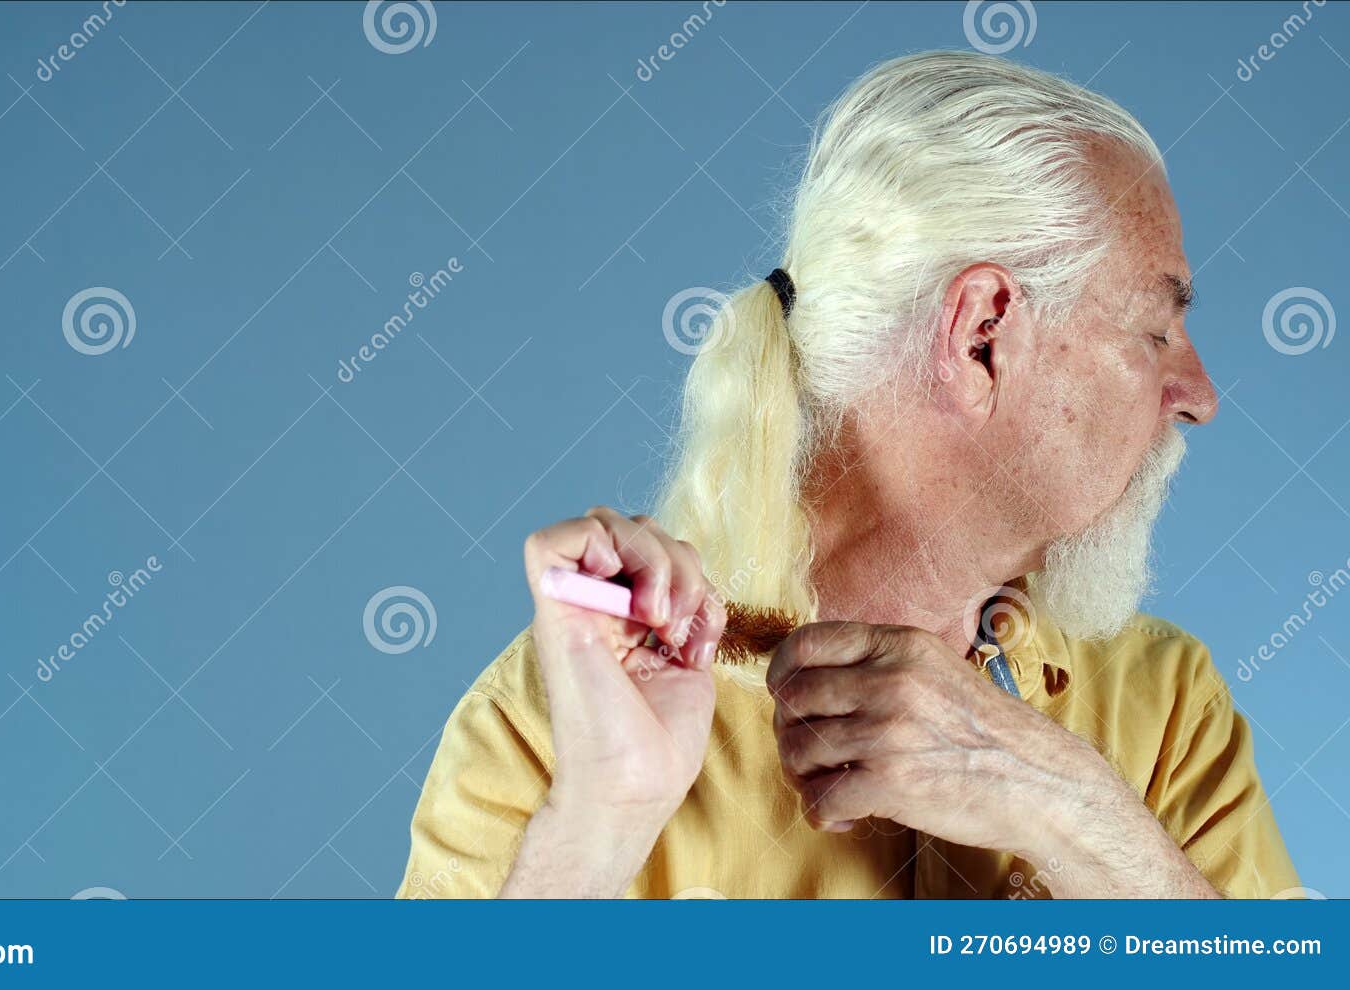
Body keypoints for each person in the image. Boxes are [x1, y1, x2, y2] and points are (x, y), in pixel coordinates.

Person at [396, 51, 1298, 899]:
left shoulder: (1168, 703)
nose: (1199, 394)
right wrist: (598, 827)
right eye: (1153, 328)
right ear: (982, 335)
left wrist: (1067, 808)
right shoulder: (561, 718)